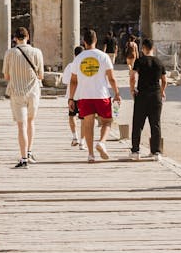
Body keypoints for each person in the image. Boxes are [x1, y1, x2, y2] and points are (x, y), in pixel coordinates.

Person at [68, 28, 121, 162]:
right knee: (107, 122)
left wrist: (71, 98)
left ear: (84, 42)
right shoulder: (103, 57)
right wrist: (117, 93)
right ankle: (102, 142)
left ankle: (91, 154)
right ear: (96, 41)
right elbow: (112, 78)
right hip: (101, 95)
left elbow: (73, 81)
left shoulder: (78, 58)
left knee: (88, 125)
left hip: (84, 96)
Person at [3, 27, 44, 168]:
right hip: (33, 92)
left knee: (21, 125)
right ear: (28, 37)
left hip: (16, 92)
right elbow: (41, 76)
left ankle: (23, 158)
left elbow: (6, 76)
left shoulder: (10, 53)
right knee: (31, 122)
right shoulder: (37, 52)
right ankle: (30, 151)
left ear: (15, 38)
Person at [128, 38, 167, 160]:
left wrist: (132, 89)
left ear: (143, 48)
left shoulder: (139, 61)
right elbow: (164, 80)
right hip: (155, 95)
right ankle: (156, 152)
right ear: (153, 48)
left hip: (142, 95)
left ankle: (135, 151)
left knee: (138, 123)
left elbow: (133, 77)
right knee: (155, 124)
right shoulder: (159, 62)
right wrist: (162, 91)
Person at [61, 45, 84, 149]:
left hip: (73, 95)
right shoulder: (86, 65)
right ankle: (83, 142)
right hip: (84, 95)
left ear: (74, 55)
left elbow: (65, 81)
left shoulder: (70, 66)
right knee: (84, 119)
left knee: (72, 116)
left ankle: (75, 137)